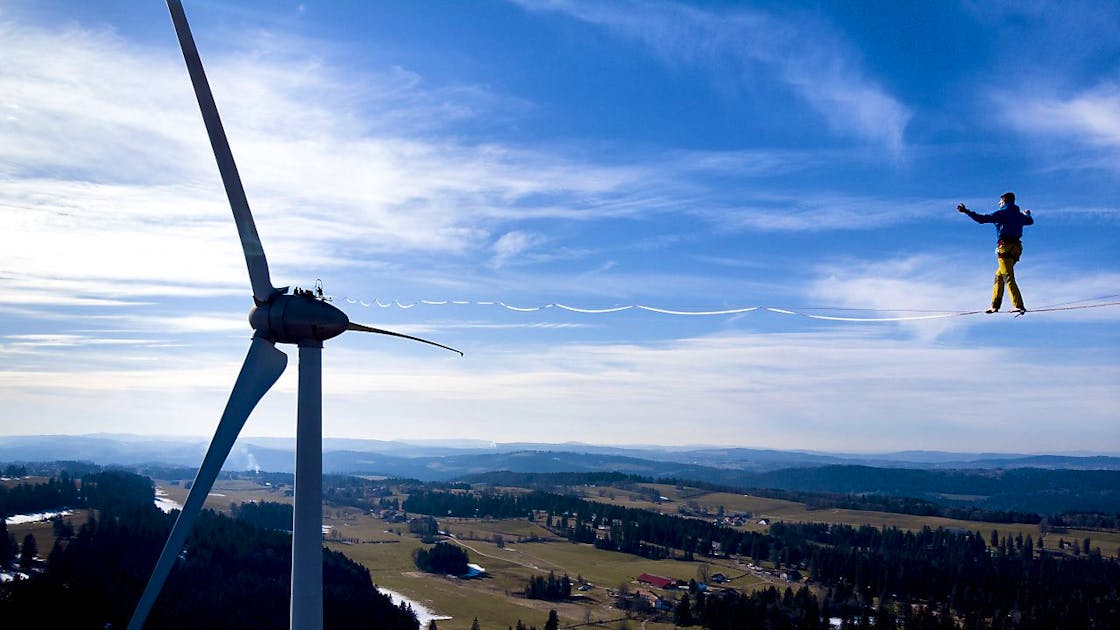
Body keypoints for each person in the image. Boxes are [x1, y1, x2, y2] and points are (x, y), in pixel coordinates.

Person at [957, 192, 1033, 314]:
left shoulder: (1002, 213)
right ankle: (995, 306)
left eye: (1000, 202)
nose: (999, 204)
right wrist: (1027, 213)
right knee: (999, 275)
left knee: (1007, 276)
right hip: (1017, 249)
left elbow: (981, 219)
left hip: (1005, 248)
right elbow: (1030, 221)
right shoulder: (1018, 215)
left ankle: (1018, 305)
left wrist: (966, 211)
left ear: (1004, 201)